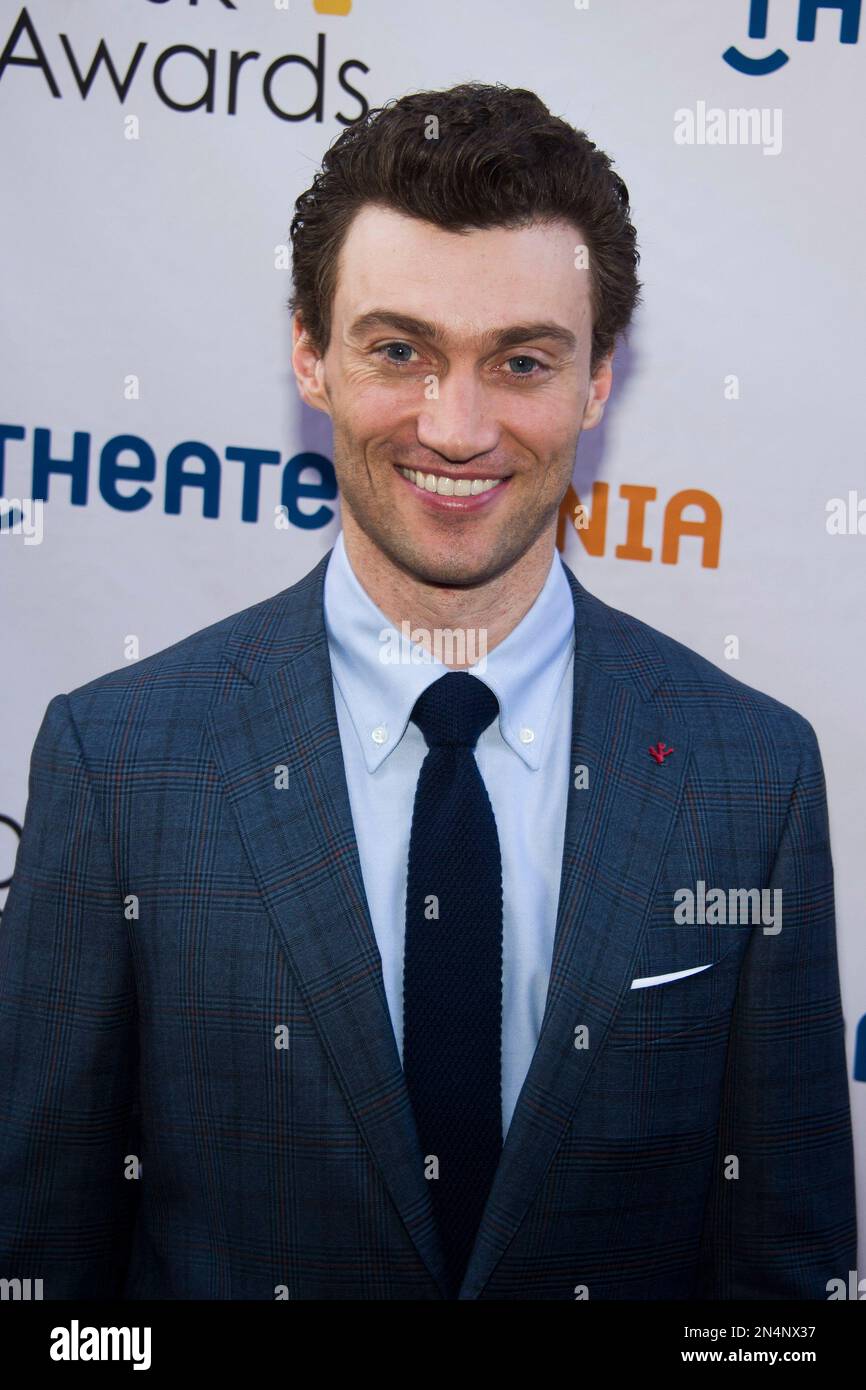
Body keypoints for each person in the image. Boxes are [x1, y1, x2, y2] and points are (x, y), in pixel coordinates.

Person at [0, 82, 856, 1301]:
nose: (455, 427)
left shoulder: (749, 777)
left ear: (599, 379)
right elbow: (43, 1283)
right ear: (310, 353)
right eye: (398, 350)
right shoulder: (120, 761)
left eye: (519, 360)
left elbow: (782, 1286)